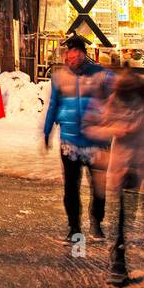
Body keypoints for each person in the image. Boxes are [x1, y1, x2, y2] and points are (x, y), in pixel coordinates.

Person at [84, 69, 144, 286]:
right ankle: (118, 261)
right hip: (122, 167)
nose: (127, 99)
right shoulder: (111, 104)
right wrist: (116, 129)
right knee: (123, 215)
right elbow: (90, 126)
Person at [43, 33, 115, 243]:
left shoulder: (102, 75)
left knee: (98, 187)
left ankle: (97, 223)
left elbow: (118, 98)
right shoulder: (59, 78)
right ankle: (74, 227)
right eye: (68, 56)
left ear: (84, 55)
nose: (71, 59)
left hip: (98, 142)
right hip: (70, 142)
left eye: (75, 55)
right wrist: (47, 130)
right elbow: (53, 105)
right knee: (71, 188)